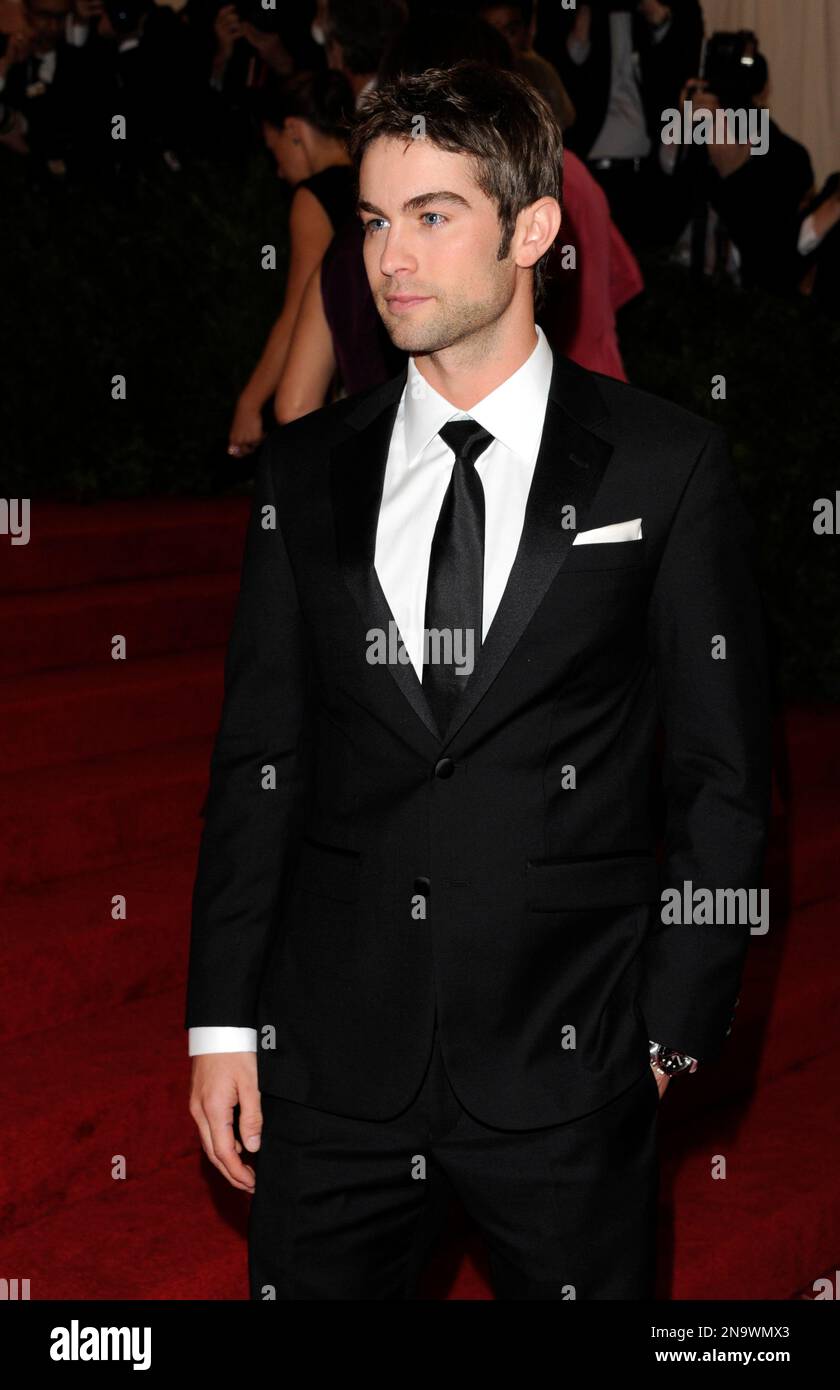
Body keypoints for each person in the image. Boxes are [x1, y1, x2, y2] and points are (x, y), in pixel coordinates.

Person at [186, 60, 771, 1300]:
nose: (390, 256)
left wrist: (669, 1032)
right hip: (337, 1065)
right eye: (375, 220)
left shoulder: (661, 469)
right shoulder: (306, 475)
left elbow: (726, 783)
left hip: (569, 1061)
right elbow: (258, 763)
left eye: (434, 216)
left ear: (533, 230)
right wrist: (224, 1021)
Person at [227, 68, 356, 459]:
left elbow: (301, 311)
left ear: (294, 130)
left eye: (275, 149)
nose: (279, 170)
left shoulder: (313, 198)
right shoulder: (375, 179)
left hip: (349, 384)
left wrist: (250, 402)